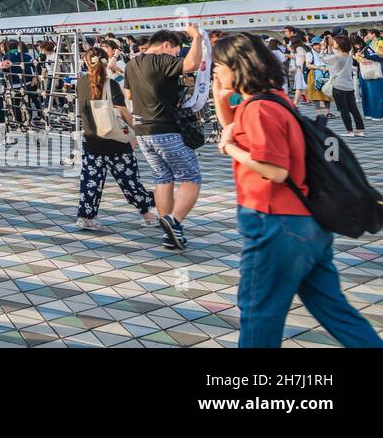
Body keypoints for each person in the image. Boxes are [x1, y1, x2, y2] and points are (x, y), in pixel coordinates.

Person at [211, 33, 382, 348]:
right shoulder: (275, 99)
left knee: (260, 312)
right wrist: (221, 96)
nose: (214, 71)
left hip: (275, 223)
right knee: (333, 309)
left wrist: (230, 148)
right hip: (308, 222)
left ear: (237, 65)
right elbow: (231, 126)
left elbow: (275, 171)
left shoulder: (258, 109)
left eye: (218, 65)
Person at [123, 25, 204, 251]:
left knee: (162, 178)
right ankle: (174, 220)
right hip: (166, 130)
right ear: (166, 45)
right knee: (190, 177)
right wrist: (196, 37)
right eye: (176, 51)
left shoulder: (132, 63)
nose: (176, 57)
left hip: (143, 132)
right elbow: (192, 64)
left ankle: (169, 231)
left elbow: (128, 94)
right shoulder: (161, 59)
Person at [74, 47, 155, 231]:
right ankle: (147, 214)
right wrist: (137, 129)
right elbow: (123, 112)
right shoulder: (111, 85)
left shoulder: (81, 82)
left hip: (91, 140)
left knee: (90, 181)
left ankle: (86, 217)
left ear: (87, 62)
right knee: (129, 180)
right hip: (115, 141)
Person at [322, 33, 364, 137]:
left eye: (335, 43)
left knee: (344, 110)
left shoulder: (337, 57)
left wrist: (323, 47)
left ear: (339, 45)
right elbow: (333, 55)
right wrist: (330, 45)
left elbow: (323, 58)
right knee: (354, 109)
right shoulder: (349, 56)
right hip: (349, 87)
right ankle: (360, 130)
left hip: (339, 86)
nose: (333, 43)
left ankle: (349, 131)